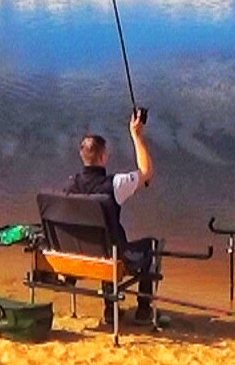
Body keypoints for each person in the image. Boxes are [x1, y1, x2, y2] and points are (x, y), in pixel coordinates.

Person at [62, 109, 161, 326]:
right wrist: (137, 135)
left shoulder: (70, 185)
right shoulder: (115, 184)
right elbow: (146, 171)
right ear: (103, 157)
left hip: (81, 255)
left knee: (103, 241)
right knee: (150, 245)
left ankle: (110, 309)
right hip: (111, 257)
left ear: (82, 156)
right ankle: (144, 311)